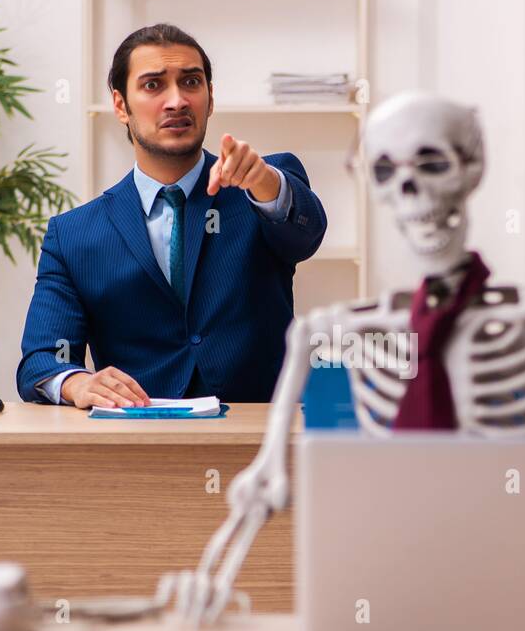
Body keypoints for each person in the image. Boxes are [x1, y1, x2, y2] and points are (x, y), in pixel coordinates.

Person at [17, 23, 328, 408]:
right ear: (120, 106)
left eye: (191, 82)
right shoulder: (74, 234)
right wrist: (76, 383)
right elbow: (41, 361)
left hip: (259, 439)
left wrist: (263, 181)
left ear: (210, 99)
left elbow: (306, 233)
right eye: (153, 85)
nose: (177, 101)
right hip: (139, 444)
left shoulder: (261, 186)